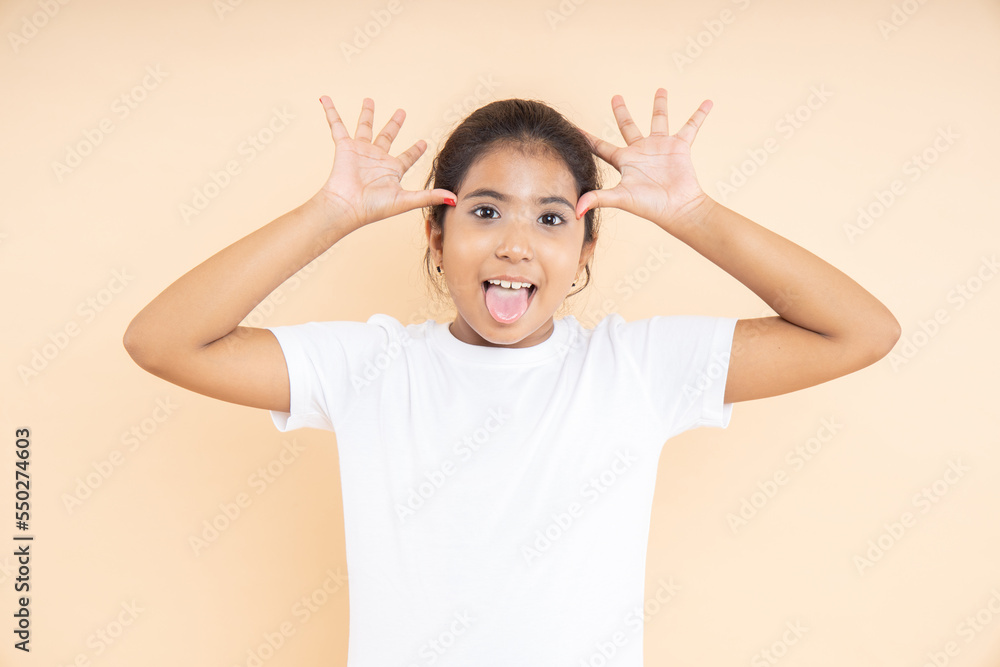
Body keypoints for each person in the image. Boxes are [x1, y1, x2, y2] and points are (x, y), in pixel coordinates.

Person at [123, 89, 900, 666]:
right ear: (435, 229)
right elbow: (163, 341)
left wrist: (694, 212)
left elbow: (862, 331)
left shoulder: (634, 369)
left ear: (587, 249)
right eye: (487, 212)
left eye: (552, 219)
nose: (516, 246)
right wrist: (330, 212)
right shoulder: (372, 368)